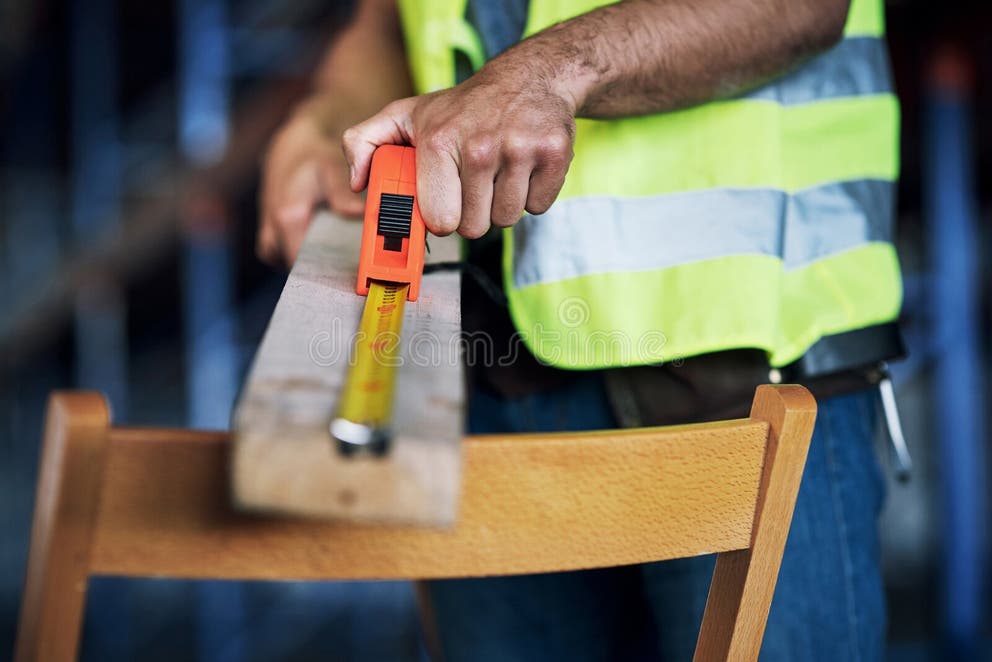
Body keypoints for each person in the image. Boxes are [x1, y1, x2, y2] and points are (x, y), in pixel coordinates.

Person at [258, 0, 903, 659]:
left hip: (745, 377)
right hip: (489, 383)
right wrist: (328, 116)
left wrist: (547, 73)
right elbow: (387, 23)